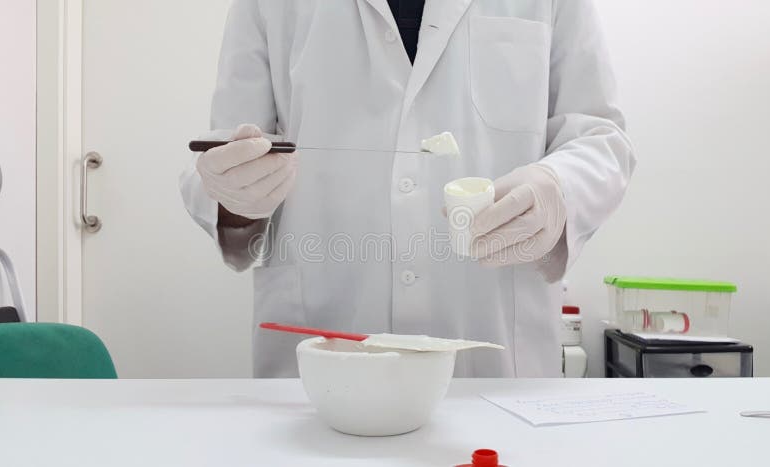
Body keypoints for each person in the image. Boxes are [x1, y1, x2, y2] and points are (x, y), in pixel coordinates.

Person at [180, 0, 635, 377]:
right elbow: (226, 147)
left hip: (493, 369)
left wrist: (558, 187)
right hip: (320, 368)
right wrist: (236, 194)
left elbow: (601, 139)